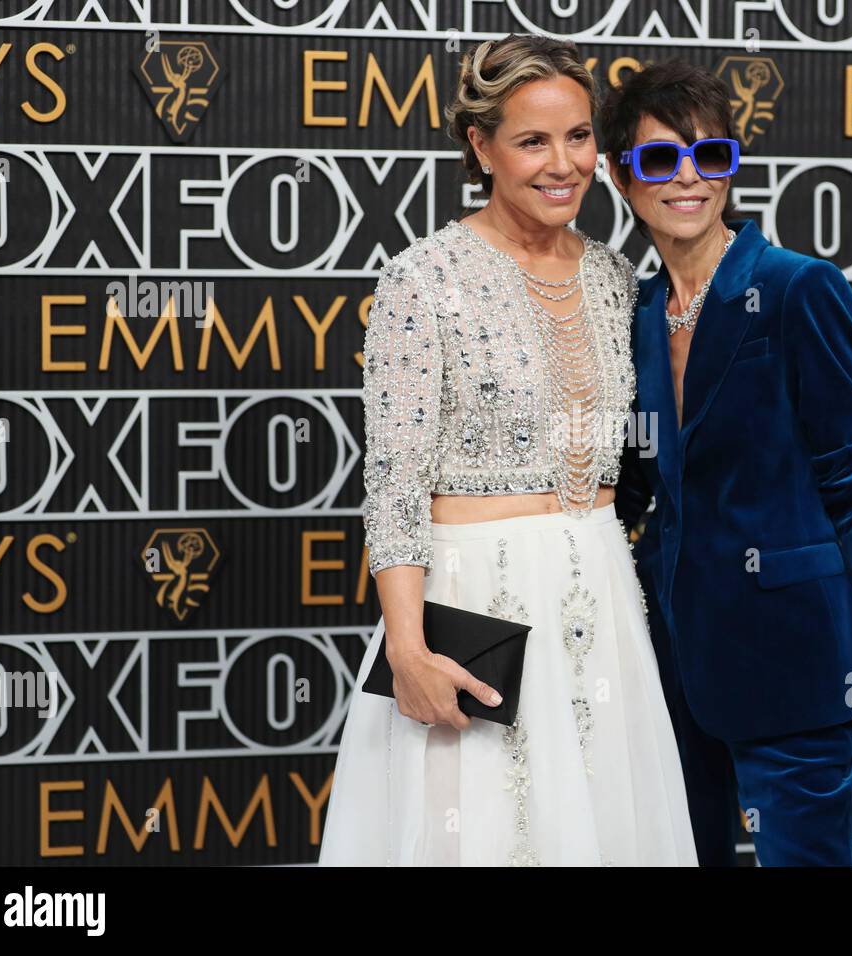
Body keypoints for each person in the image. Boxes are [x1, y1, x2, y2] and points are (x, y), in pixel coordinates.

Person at [319, 36, 697, 866]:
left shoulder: (614, 279)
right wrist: (408, 648)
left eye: (578, 137)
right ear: (480, 147)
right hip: (475, 609)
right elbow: (393, 483)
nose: (562, 165)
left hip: (602, 599)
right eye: (532, 141)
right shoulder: (422, 281)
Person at [600, 61, 852, 866]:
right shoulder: (635, 317)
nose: (689, 178)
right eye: (661, 160)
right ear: (624, 179)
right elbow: (625, 493)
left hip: (794, 665)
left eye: (711, 155)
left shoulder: (799, 289)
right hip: (671, 668)